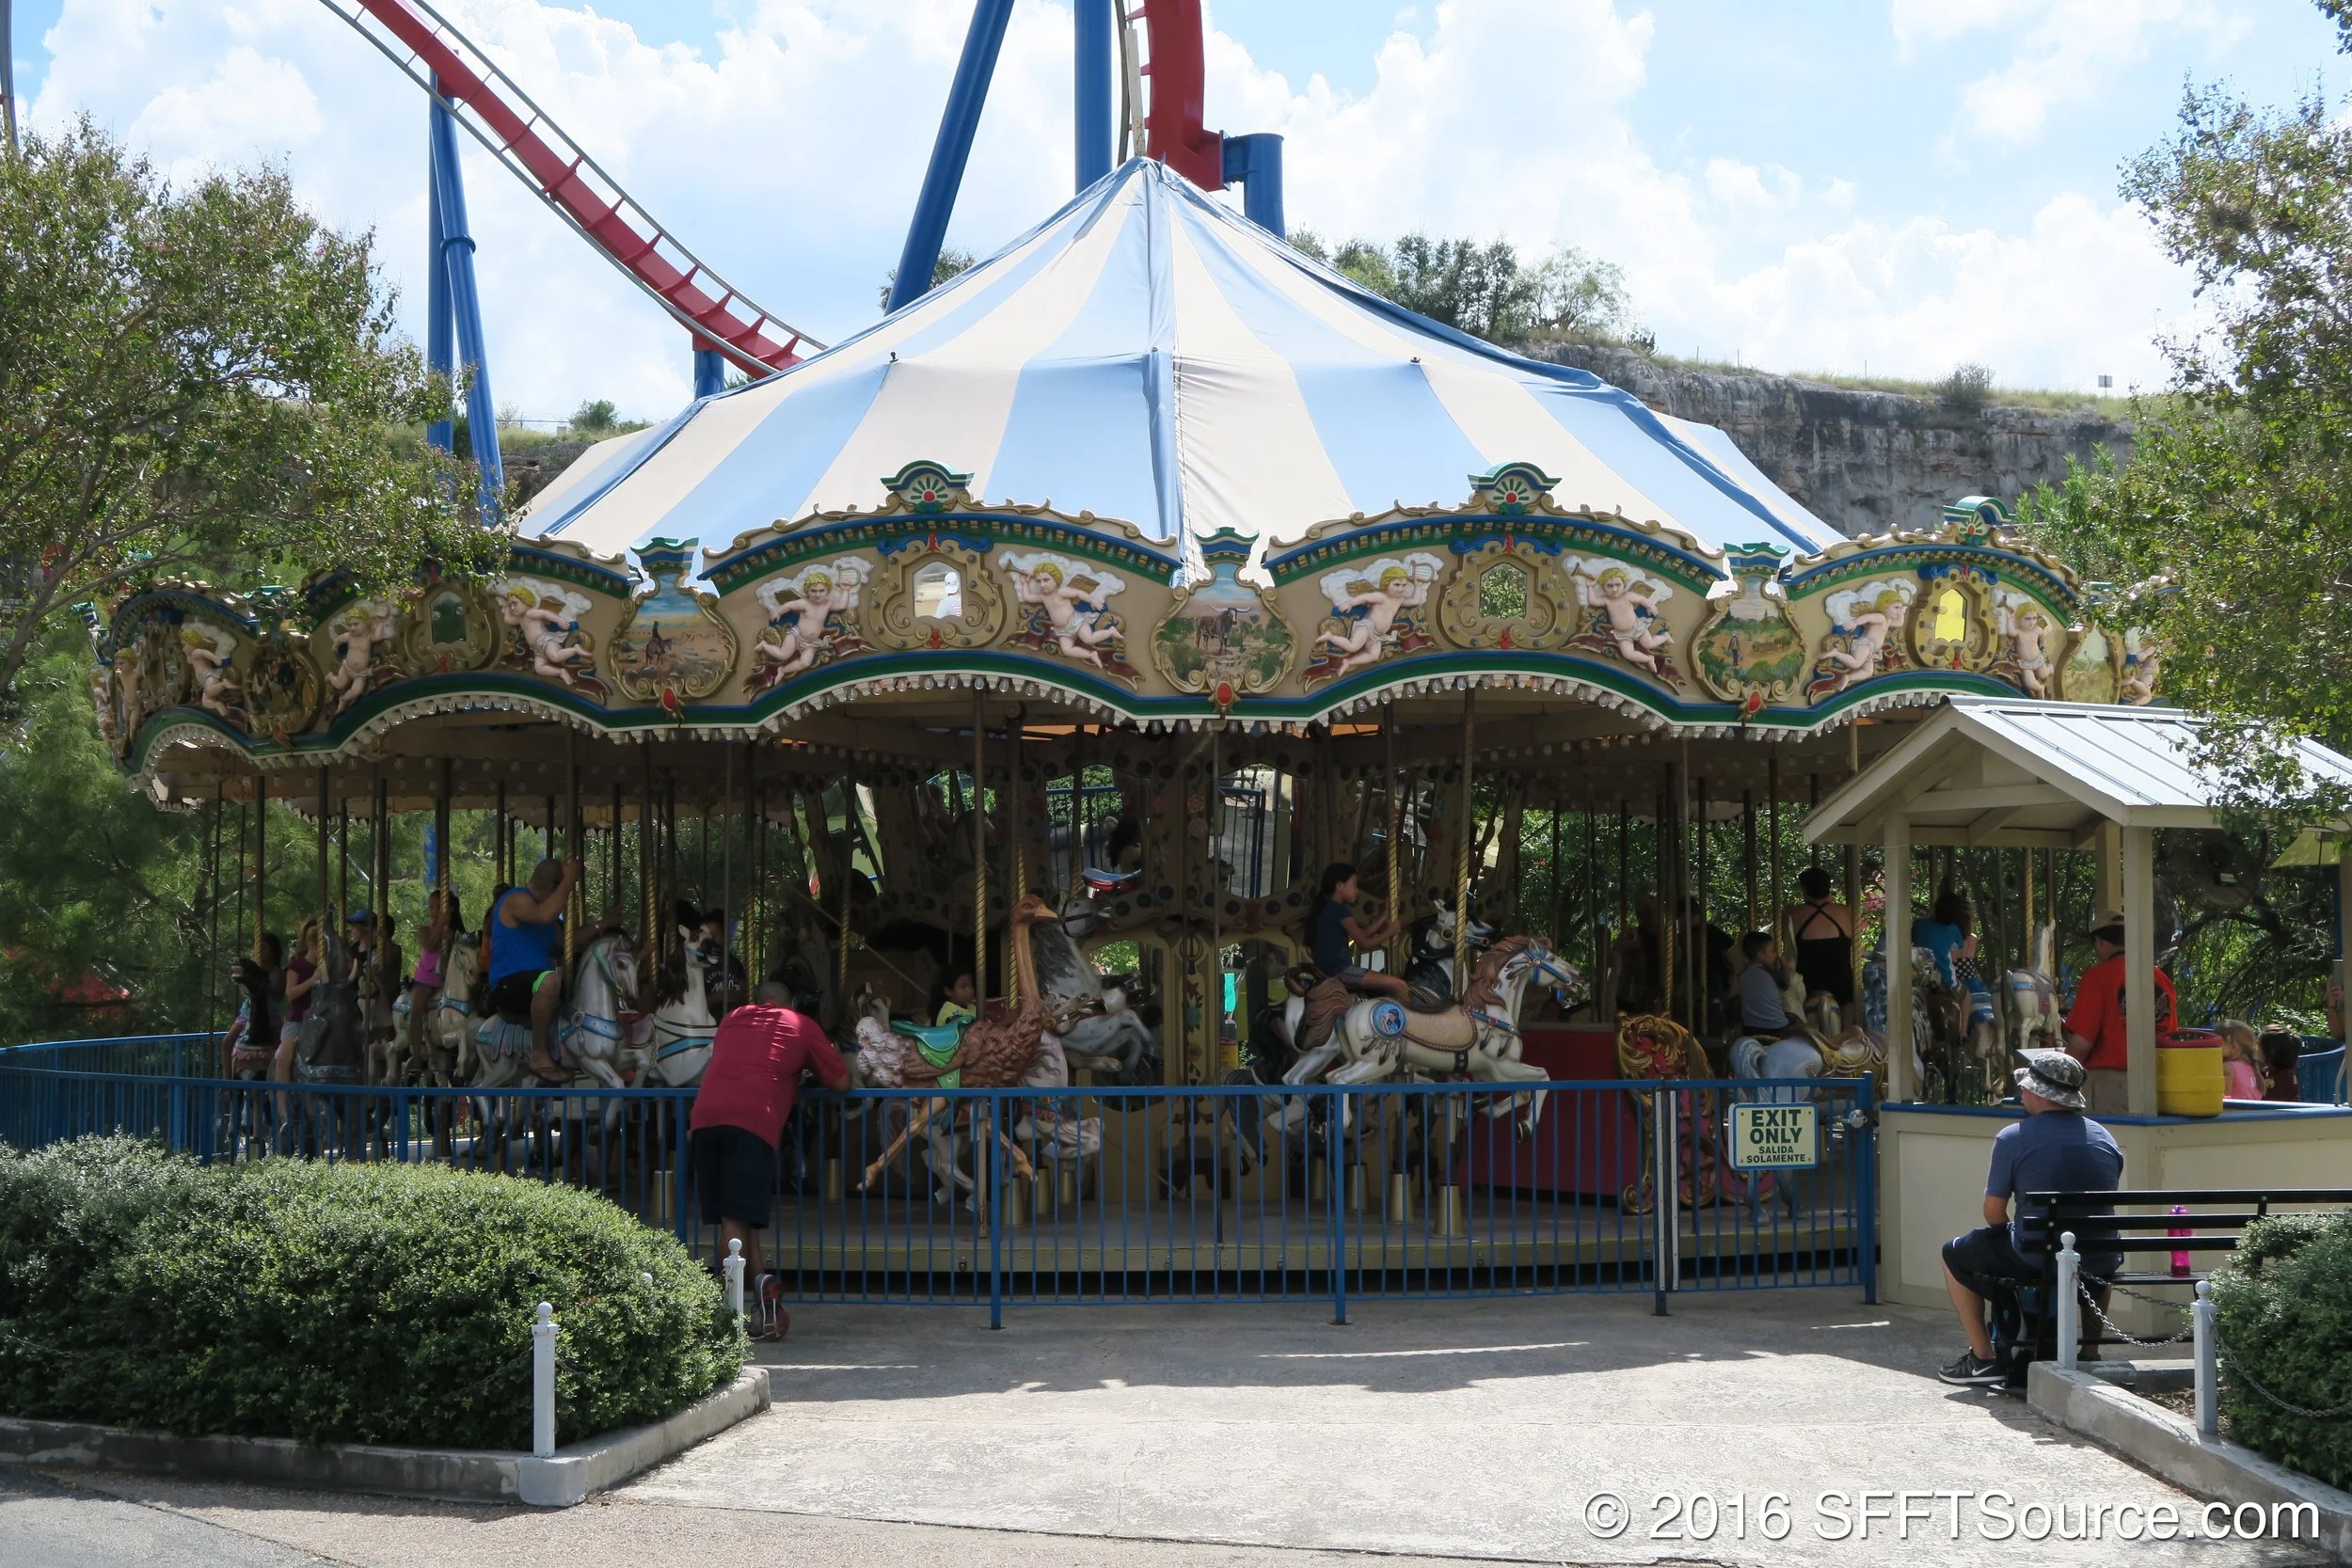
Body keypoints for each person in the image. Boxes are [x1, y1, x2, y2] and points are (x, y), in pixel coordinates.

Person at [1938, 1049, 2123, 1385]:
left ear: (2039, 1093)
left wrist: (2009, 1231)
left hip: (2037, 1256)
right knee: (2097, 1253)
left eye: (2025, 1086)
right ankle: (2091, 1352)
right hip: (2098, 1258)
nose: (2021, 1091)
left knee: (1953, 1254)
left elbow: (1993, 1213)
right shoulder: (2105, 1137)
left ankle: (1983, 1359)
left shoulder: (2013, 1137)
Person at [689, 979, 850, 1337]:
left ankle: (768, 1303)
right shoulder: (800, 1024)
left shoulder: (732, 1018)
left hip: (703, 1120)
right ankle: (719, 1314)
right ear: (789, 1002)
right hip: (750, 1122)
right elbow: (841, 1082)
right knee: (735, 1222)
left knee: (742, 1219)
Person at [2062, 908, 2177, 1117]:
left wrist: (2054, 1077)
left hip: (2110, 1087)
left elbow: (2081, 1045)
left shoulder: (2098, 978)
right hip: (2159, 1083)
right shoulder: (2162, 980)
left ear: (2100, 942)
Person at [485, 858, 580, 1085]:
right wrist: (569, 881)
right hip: (509, 985)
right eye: (560, 892)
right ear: (552, 888)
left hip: (532, 984)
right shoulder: (517, 899)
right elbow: (543, 915)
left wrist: (603, 928)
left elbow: (570, 942)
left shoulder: (545, 919)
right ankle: (539, 1054)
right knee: (550, 980)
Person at [1308, 862, 1409, 1003]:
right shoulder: (1339, 910)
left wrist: (1385, 914)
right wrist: (1390, 932)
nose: (1357, 890)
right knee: (1399, 985)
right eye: (1354, 885)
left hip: (1329, 971)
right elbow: (1365, 943)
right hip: (1342, 973)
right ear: (1339, 886)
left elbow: (1362, 934)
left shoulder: (1328, 907)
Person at [405, 890, 464, 1067]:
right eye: (431, 907)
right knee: (416, 1011)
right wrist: (441, 926)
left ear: (450, 910)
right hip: (426, 978)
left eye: (439, 908)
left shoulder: (455, 933)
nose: (434, 911)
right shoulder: (424, 930)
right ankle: (415, 1053)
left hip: (448, 979)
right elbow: (430, 945)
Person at [1785, 865, 1855, 1008]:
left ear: (1804, 889)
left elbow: (1786, 945)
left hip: (1808, 979)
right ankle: (1849, 1026)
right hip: (1840, 978)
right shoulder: (1845, 911)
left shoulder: (1791, 913)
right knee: (1849, 1002)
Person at [1735, 931, 1804, 1038]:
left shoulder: (1741, 976)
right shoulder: (1770, 972)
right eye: (1772, 951)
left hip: (1750, 1029)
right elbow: (1787, 984)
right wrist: (1785, 966)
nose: (1776, 954)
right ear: (1761, 955)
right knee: (1798, 1023)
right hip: (1777, 1029)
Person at [2215, 1021, 2265, 1101]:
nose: (2215, 1045)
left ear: (2230, 1042)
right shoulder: (2252, 1067)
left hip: (2235, 1112)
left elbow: (2223, 1101)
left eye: (2218, 1041)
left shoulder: (2228, 1068)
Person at [2257, 1026, 2303, 1102]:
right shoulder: (2266, 1071)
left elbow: (2268, 1099)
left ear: (2272, 1050)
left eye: (2259, 1045)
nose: (2256, 1049)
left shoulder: (2285, 1076)